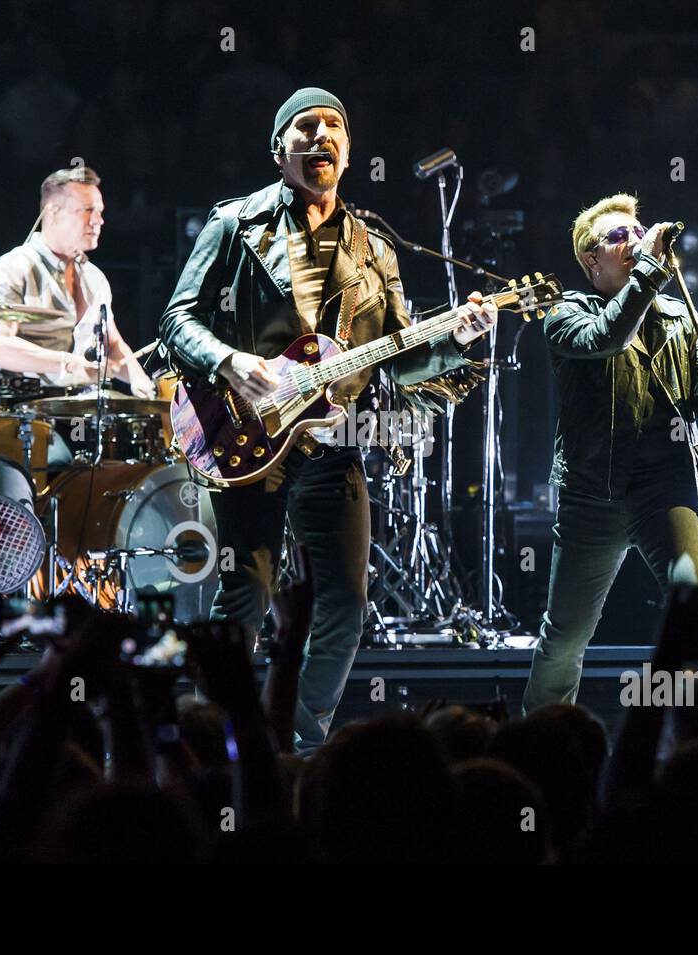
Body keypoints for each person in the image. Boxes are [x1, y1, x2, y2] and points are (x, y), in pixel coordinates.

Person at [160, 88, 497, 753]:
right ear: (279, 148)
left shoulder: (374, 249)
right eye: (305, 127)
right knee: (245, 598)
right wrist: (229, 361)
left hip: (332, 442)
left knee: (345, 603)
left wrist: (459, 337)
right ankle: (210, 741)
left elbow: (397, 361)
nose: (321, 136)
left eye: (334, 127)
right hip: (243, 434)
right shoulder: (235, 224)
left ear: (348, 152)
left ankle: (295, 739)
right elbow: (177, 321)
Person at [521, 193, 698, 736]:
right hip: (593, 493)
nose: (636, 239)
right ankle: (541, 742)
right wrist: (647, 275)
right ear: (592, 260)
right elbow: (607, 338)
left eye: (638, 230)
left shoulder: (677, 314)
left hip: (665, 488)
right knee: (567, 633)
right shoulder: (566, 313)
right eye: (619, 235)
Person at [0, 165, 153, 400]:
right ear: (52, 212)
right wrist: (70, 364)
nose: (98, 220)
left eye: (100, 211)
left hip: (81, 407)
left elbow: (112, 344)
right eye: (86, 210)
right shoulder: (13, 268)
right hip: (26, 410)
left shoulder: (94, 277)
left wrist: (139, 378)